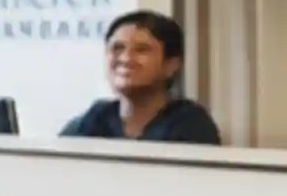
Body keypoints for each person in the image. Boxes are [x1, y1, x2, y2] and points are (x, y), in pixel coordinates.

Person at [61, 10, 221, 145]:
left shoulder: (191, 125)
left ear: (171, 65)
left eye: (142, 50)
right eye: (117, 48)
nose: (126, 58)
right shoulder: (94, 119)